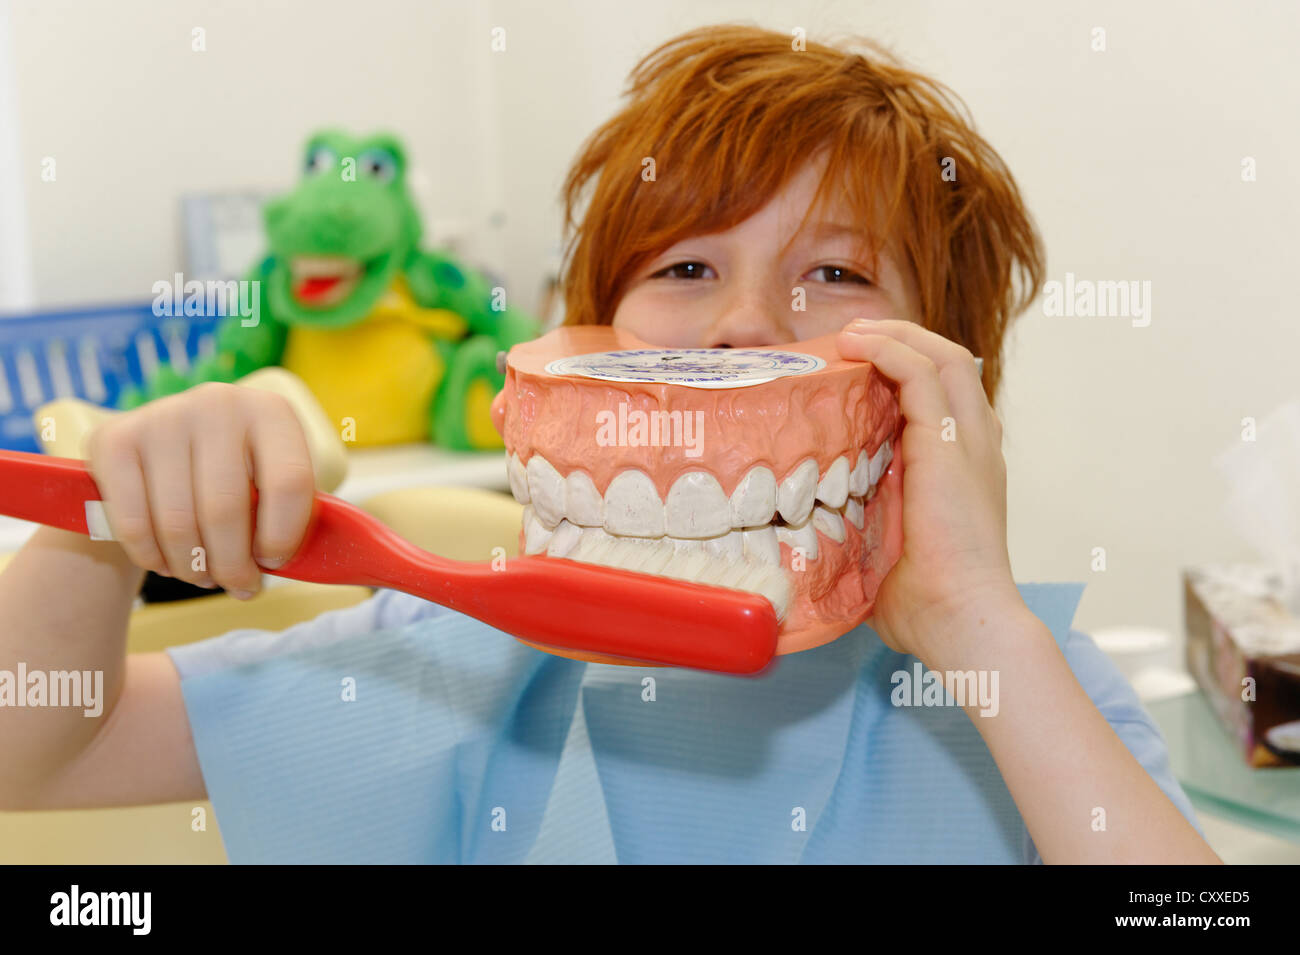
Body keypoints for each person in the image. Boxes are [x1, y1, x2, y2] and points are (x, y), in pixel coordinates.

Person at [0, 24, 1219, 863]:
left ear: (945, 378)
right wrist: (101, 526)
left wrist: (975, 621)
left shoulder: (1017, 687)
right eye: (686, 266)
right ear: (584, 348)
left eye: (835, 272)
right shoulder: (448, 661)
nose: (744, 323)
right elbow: (45, 753)